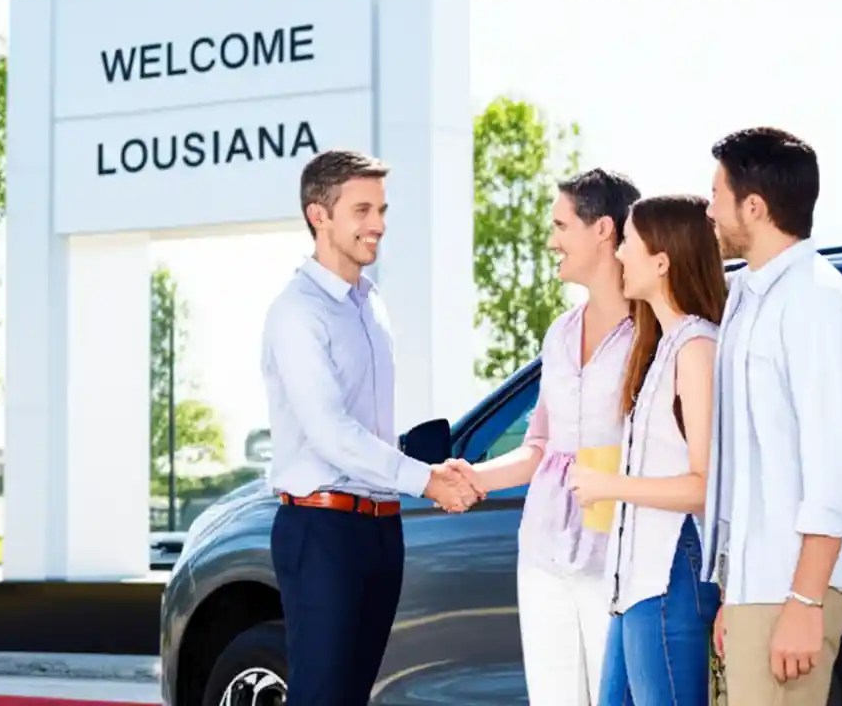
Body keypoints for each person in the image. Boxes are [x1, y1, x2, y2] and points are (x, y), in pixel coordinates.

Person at [260, 149, 480, 704]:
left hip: (380, 529)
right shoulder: (297, 312)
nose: (378, 224)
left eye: (381, 209)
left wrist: (422, 467)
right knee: (321, 695)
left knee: (354, 696)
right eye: (362, 209)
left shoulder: (370, 303)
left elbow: (369, 426)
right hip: (322, 531)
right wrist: (426, 479)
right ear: (319, 214)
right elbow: (331, 432)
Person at [449, 168, 641, 705]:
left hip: (618, 554)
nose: (552, 239)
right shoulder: (560, 332)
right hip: (544, 551)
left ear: (602, 230)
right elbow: (539, 447)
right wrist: (470, 476)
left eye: (561, 225)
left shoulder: (650, 332)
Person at [700, 127, 842, 705]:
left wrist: (804, 602)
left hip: (795, 587)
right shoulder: (751, 298)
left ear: (754, 206)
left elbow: (834, 465)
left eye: (717, 195)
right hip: (760, 586)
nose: (710, 210)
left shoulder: (818, 302)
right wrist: (735, 592)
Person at [567, 194, 726, 704]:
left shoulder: (697, 350)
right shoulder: (663, 348)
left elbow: (706, 487)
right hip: (634, 584)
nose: (618, 255)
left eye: (628, 243)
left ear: (661, 261)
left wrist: (608, 485)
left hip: (669, 575)